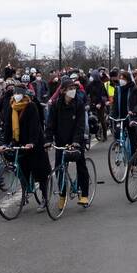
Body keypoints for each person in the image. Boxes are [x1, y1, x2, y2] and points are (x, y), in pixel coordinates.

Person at [0, 89, 49, 204]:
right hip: (19, 142)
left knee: (40, 172)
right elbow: (8, 126)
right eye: (15, 94)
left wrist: (32, 142)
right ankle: (25, 192)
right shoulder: (11, 107)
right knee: (22, 169)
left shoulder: (31, 106)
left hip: (34, 142)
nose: (17, 96)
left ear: (24, 95)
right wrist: (5, 143)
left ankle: (45, 197)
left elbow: (35, 126)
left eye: (19, 94)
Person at [46, 76, 90, 207]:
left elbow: (80, 125)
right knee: (59, 168)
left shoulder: (79, 104)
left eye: (74, 88)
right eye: (70, 89)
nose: (73, 91)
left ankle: (85, 195)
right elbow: (50, 124)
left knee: (80, 164)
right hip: (61, 141)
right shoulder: (55, 105)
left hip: (76, 140)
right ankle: (62, 195)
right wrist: (48, 140)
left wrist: (76, 141)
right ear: (63, 91)